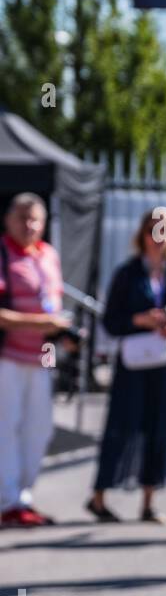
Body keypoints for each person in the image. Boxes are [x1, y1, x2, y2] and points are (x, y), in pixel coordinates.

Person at [87, 209, 166, 523]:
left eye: (163, 230)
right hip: (134, 365)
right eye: (152, 230)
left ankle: (148, 501)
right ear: (142, 234)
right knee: (122, 427)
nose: (158, 237)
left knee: (160, 427)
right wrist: (139, 320)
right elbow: (111, 320)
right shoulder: (128, 273)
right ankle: (99, 497)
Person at [0, 194, 69, 527]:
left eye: (35, 219)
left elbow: (52, 303)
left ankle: (22, 496)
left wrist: (59, 329)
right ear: (9, 220)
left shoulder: (48, 256)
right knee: (6, 428)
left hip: (42, 355)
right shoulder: (2, 253)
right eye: (23, 218)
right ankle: (8, 501)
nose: (29, 225)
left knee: (38, 429)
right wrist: (40, 324)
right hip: (7, 356)